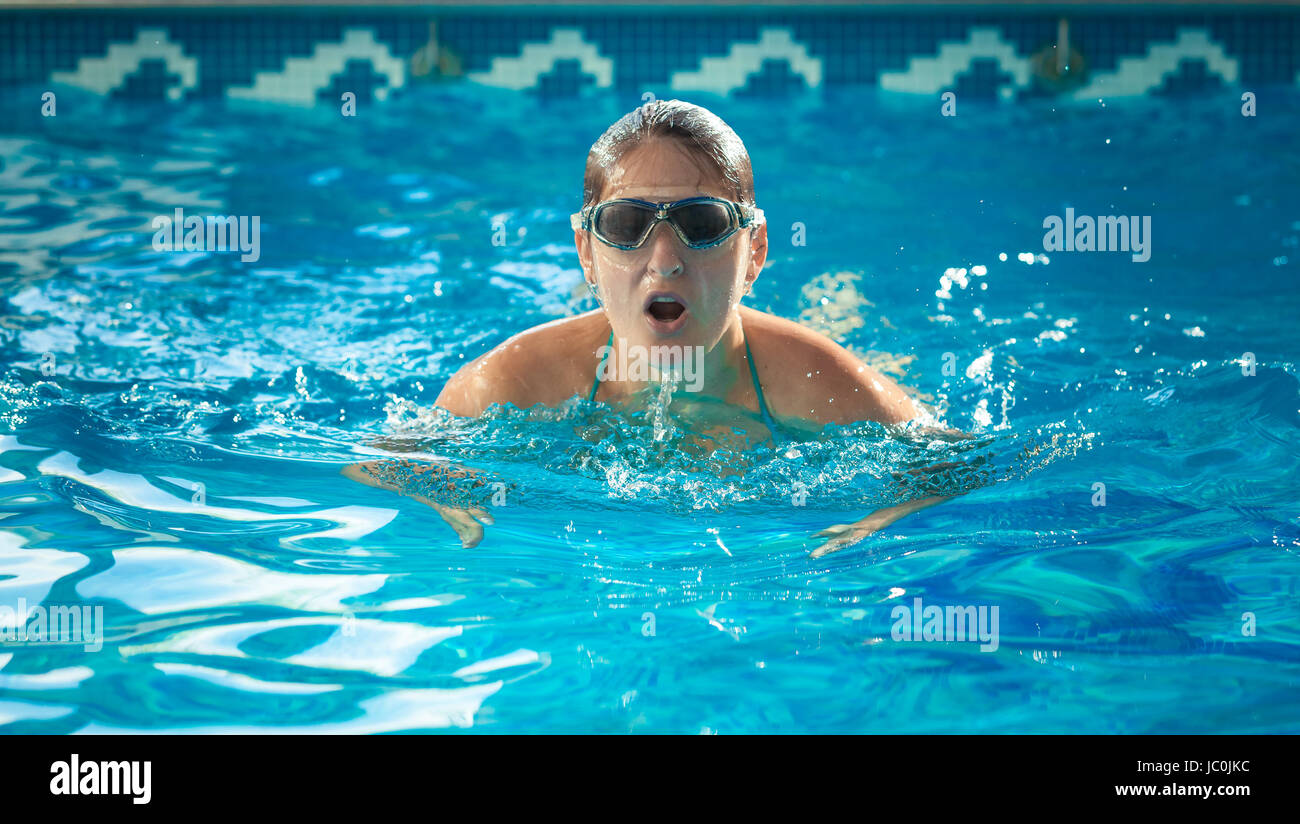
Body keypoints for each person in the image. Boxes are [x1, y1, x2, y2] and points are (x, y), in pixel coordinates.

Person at [345, 99, 953, 556]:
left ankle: (836, 303)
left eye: (703, 222)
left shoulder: (821, 381)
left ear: (756, 251)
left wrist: (885, 516)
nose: (664, 257)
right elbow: (379, 457)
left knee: (849, 331)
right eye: (627, 224)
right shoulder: (518, 377)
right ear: (586, 253)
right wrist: (440, 490)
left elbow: (956, 464)